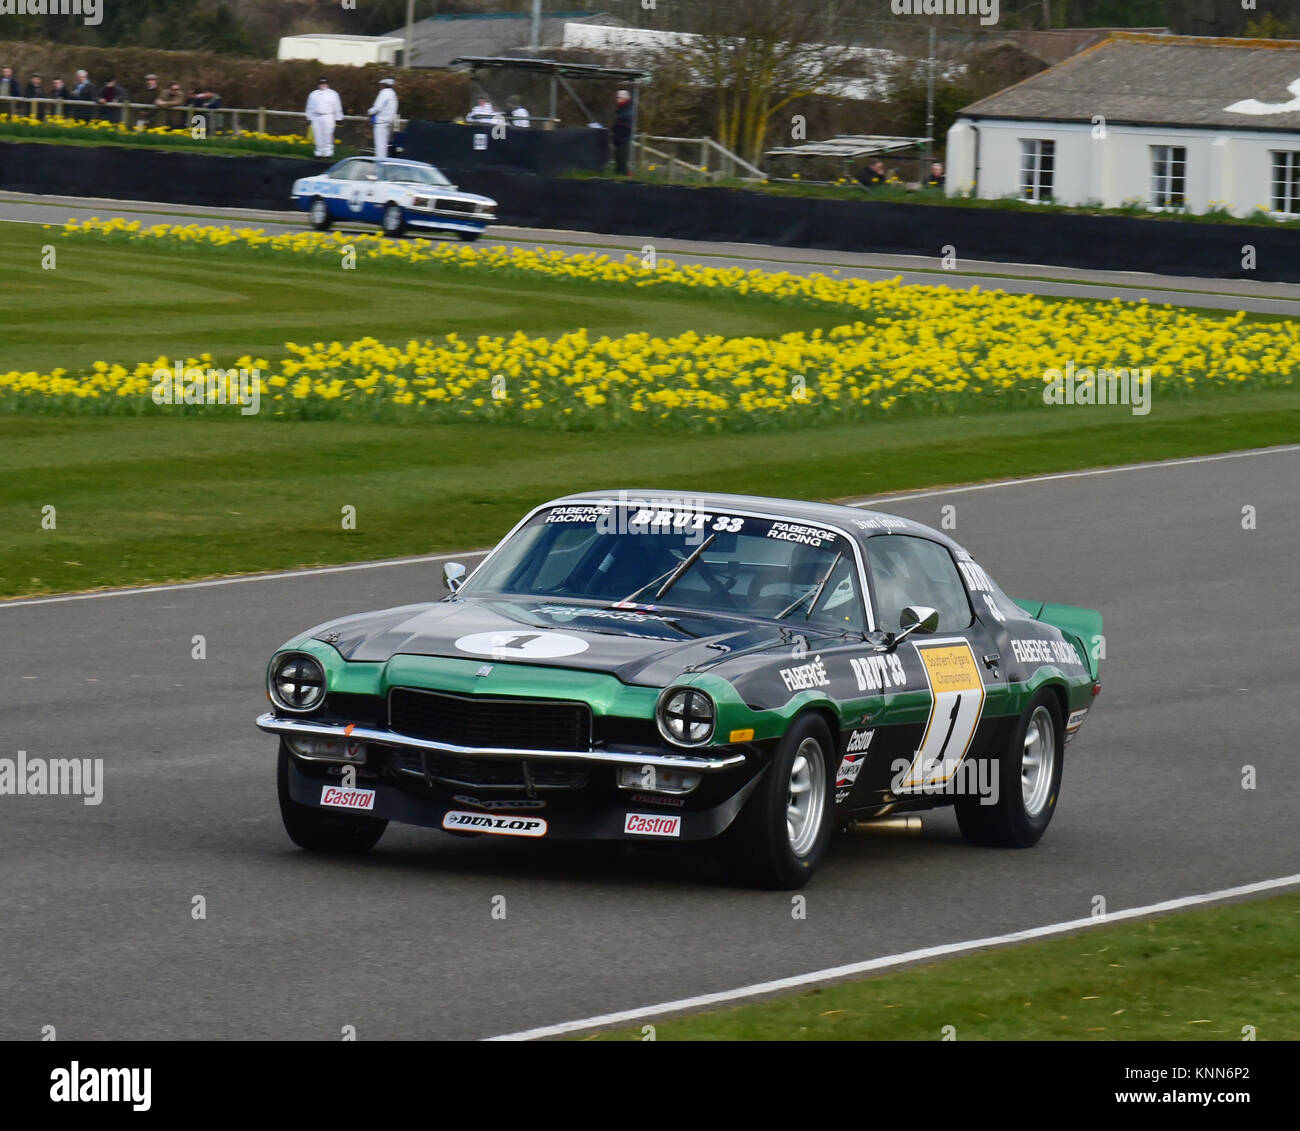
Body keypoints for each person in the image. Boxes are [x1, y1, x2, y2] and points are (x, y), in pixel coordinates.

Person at [306, 76, 344, 158]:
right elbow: (309, 107)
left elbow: (337, 106)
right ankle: (319, 153)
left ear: (328, 84)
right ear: (318, 84)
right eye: (321, 83)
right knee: (318, 135)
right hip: (316, 117)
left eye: (324, 83)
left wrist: (339, 118)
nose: (323, 85)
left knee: (328, 135)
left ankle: (328, 153)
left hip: (328, 116)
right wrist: (309, 118)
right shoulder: (313, 94)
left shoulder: (333, 94)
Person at [367, 76, 398, 159]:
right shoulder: (393, 94)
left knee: (379, 146)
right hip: (388, 122)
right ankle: (383, 160)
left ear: (384, 85)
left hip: (381, 122)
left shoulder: (384, 93)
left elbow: (378, 107)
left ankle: (380, 162)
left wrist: (369, 111)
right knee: (384, 146)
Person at [611, 88, 633, 175]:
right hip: (619, 136)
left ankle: (624, 173)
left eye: (618, 97)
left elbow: (624, 122)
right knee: (618, 156)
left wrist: (620, 134)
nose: (617, 99)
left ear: (624, 98)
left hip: (623, 136)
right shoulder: (621, 108)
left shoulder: (626, 108)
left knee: (622, 156)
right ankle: (619, 172)